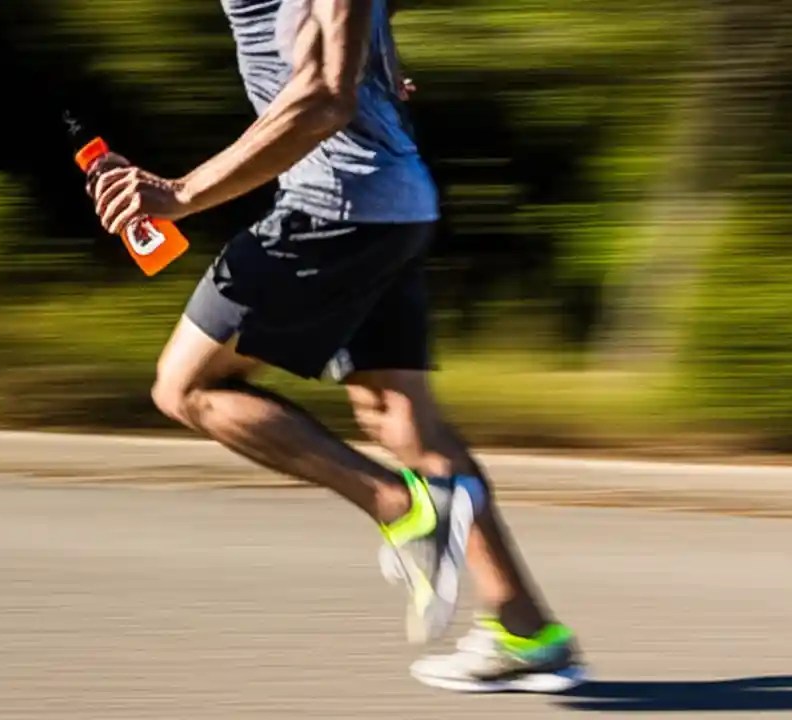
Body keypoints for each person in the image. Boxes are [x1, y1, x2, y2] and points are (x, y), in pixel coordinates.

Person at [86, 0, 586, 693]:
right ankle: (529, 632)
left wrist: (181, 193)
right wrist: (385, 55)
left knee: (188, 387)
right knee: (403, 421)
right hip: (394, 203)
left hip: (337, 207)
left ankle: (399, 508)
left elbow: (324, 96)